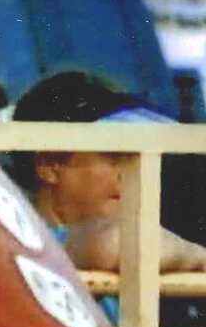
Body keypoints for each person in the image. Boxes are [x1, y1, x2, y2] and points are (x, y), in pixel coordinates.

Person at [12, 72, 206, 304]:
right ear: (50, 165)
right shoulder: (23, 238)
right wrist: (199, 256)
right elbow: (116, 241)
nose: (134, 175)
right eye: (115, 157)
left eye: (138, 160)